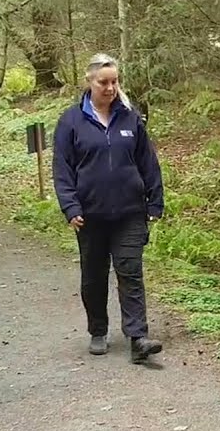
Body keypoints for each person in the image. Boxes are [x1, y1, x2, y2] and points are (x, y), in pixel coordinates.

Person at [52, 53, 165, 364]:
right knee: (94, 275)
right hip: (90, 215)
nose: (110, 87)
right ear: (90, 82)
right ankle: (98, 329)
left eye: (115, 81)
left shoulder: (130, 118)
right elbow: (62, 169)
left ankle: (138, 337)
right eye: (104, 82)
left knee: (130, 271)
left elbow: (148, 163)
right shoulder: (71, 122)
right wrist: (70, 206)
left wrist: (155, 200)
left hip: (130, 212)